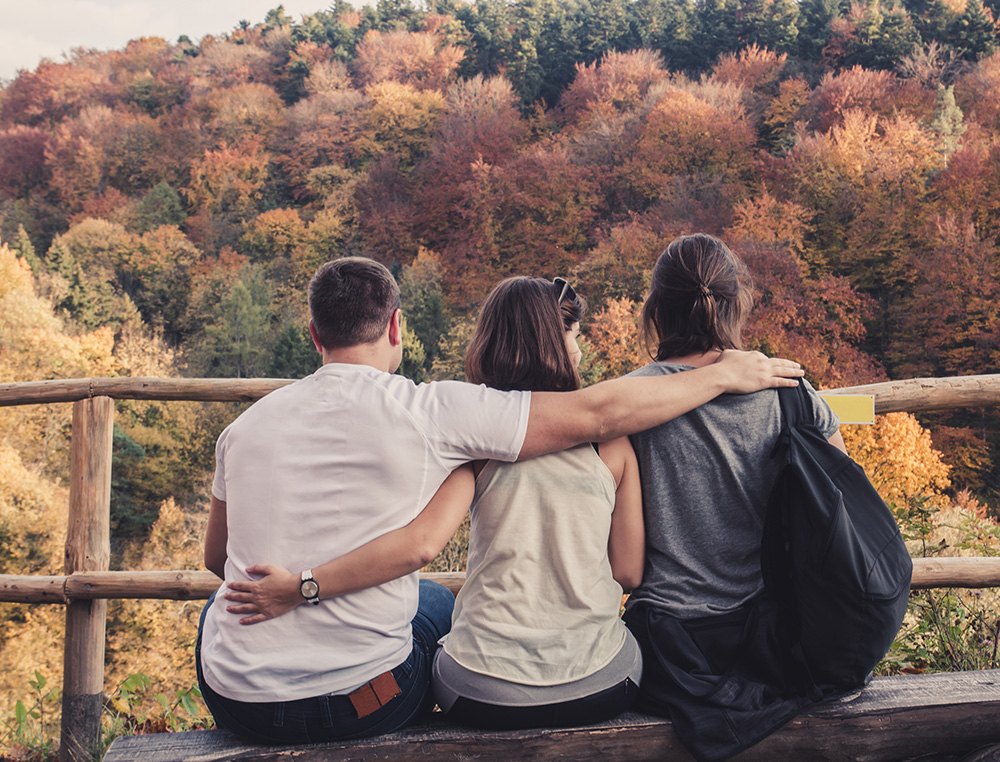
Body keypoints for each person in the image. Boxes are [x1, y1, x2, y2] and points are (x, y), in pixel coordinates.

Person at [199, 256, 803, 745]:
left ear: (313, 335)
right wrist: (728, 375)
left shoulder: (243, 429)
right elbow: (600, 431)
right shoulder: (435, 411)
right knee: (429, 603)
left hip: (240, 702)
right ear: (395, 327)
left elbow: (217, 559)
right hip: (376, 700)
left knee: (224, 610)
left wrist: (294, 586)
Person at [621, 234, 845, 762]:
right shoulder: (787, 388)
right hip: (774, 640)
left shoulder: (628, 402)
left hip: (674, 649)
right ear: (737, 302)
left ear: (657, 309)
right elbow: (843, 497)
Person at [432, 276, 644, 729]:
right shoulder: (611, 445)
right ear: (553, 340)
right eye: (574, 334)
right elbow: (628, 572)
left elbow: (426, 540)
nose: (580, 349)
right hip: (600, 681)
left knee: (429, 612)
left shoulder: (475, 446)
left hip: (481, 688)